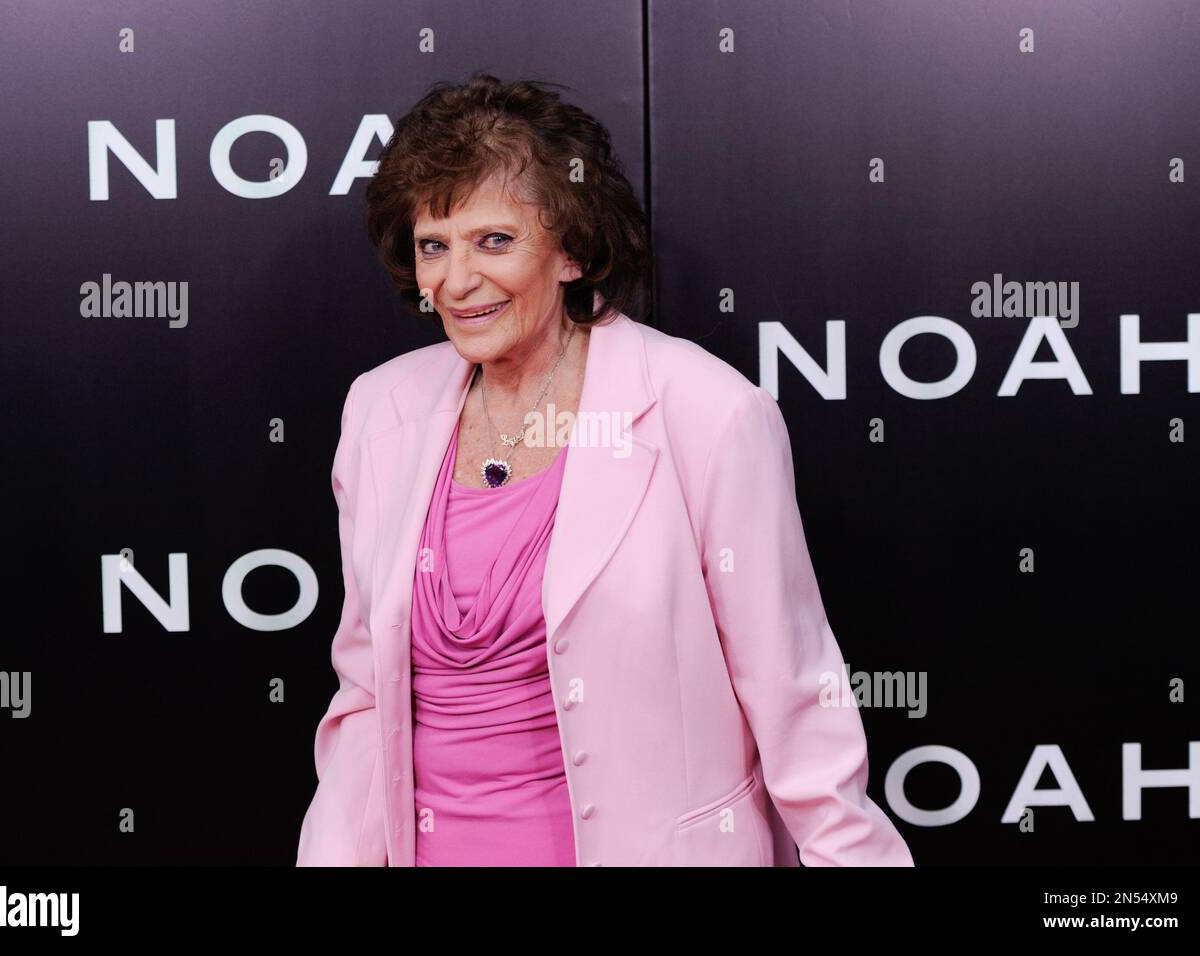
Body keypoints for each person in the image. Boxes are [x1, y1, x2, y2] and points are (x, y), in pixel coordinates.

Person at [296, 73, 913, 866]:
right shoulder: (382, 410)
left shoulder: (707, 411)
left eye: (494, 240)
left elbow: (795, 695)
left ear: (573, 251)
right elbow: (367, 699)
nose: (455, 281)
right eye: (433, 246)